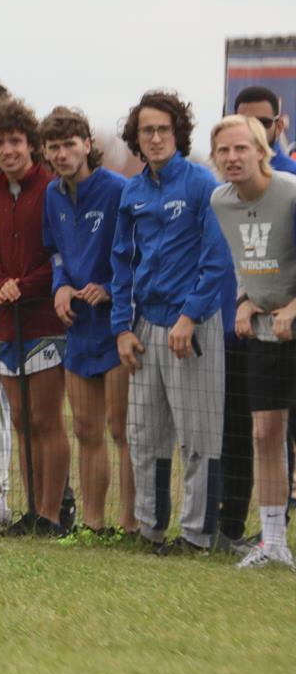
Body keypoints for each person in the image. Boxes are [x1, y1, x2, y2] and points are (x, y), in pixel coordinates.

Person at [111, 90, 233, 555]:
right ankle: (151, 529)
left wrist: (191, 315)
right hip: (145, 327)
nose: (156, 137)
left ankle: (199, 536)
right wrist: (122, 327)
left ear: (178, 133)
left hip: (193, 327)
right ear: (136, 138)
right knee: (145, 433)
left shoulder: (202, 184)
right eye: (147, 130)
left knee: (199, 435)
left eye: (164, 129)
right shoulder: (133, 191)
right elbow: (121, 261)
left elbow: (216, 258)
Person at [0, 99, 69, 536]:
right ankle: (31, 511)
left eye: (15, 141)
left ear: (31, 144)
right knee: (21, 421)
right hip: (7, 321)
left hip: (46, 318)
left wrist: (22, 286)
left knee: (48, 419)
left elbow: (61, 256)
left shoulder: (51, 187)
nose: (8, 149)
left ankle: (51, 514)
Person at [41, 106, 134, 541]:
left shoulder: (118, 190)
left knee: (122, 429)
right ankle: (93, 525)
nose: (61, 154)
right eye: (53, 146)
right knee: (85, 429)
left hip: (116, 326)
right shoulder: (52, 195)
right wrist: (61, 285)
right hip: (77, 327)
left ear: (87, 145)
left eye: (69, 144)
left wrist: (111, 287)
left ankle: (132, 524)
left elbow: (137, 253)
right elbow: (55, 252)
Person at [210, 114, 296, 568]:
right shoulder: (220, 201)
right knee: (265, 433)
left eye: (241, 148)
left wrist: (293, 307)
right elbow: (243, 259)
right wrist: (244, 300)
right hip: (265, 332)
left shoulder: (290, 191)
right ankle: (273, 542)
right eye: (223, 150)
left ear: (262, 150)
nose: (232, 157)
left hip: (293, 320)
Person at [232, 86, 295, 171]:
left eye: (263, 122)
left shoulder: (292, 175)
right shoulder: (224, 170)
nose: (254, 129)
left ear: (279, 127)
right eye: (245, 122)